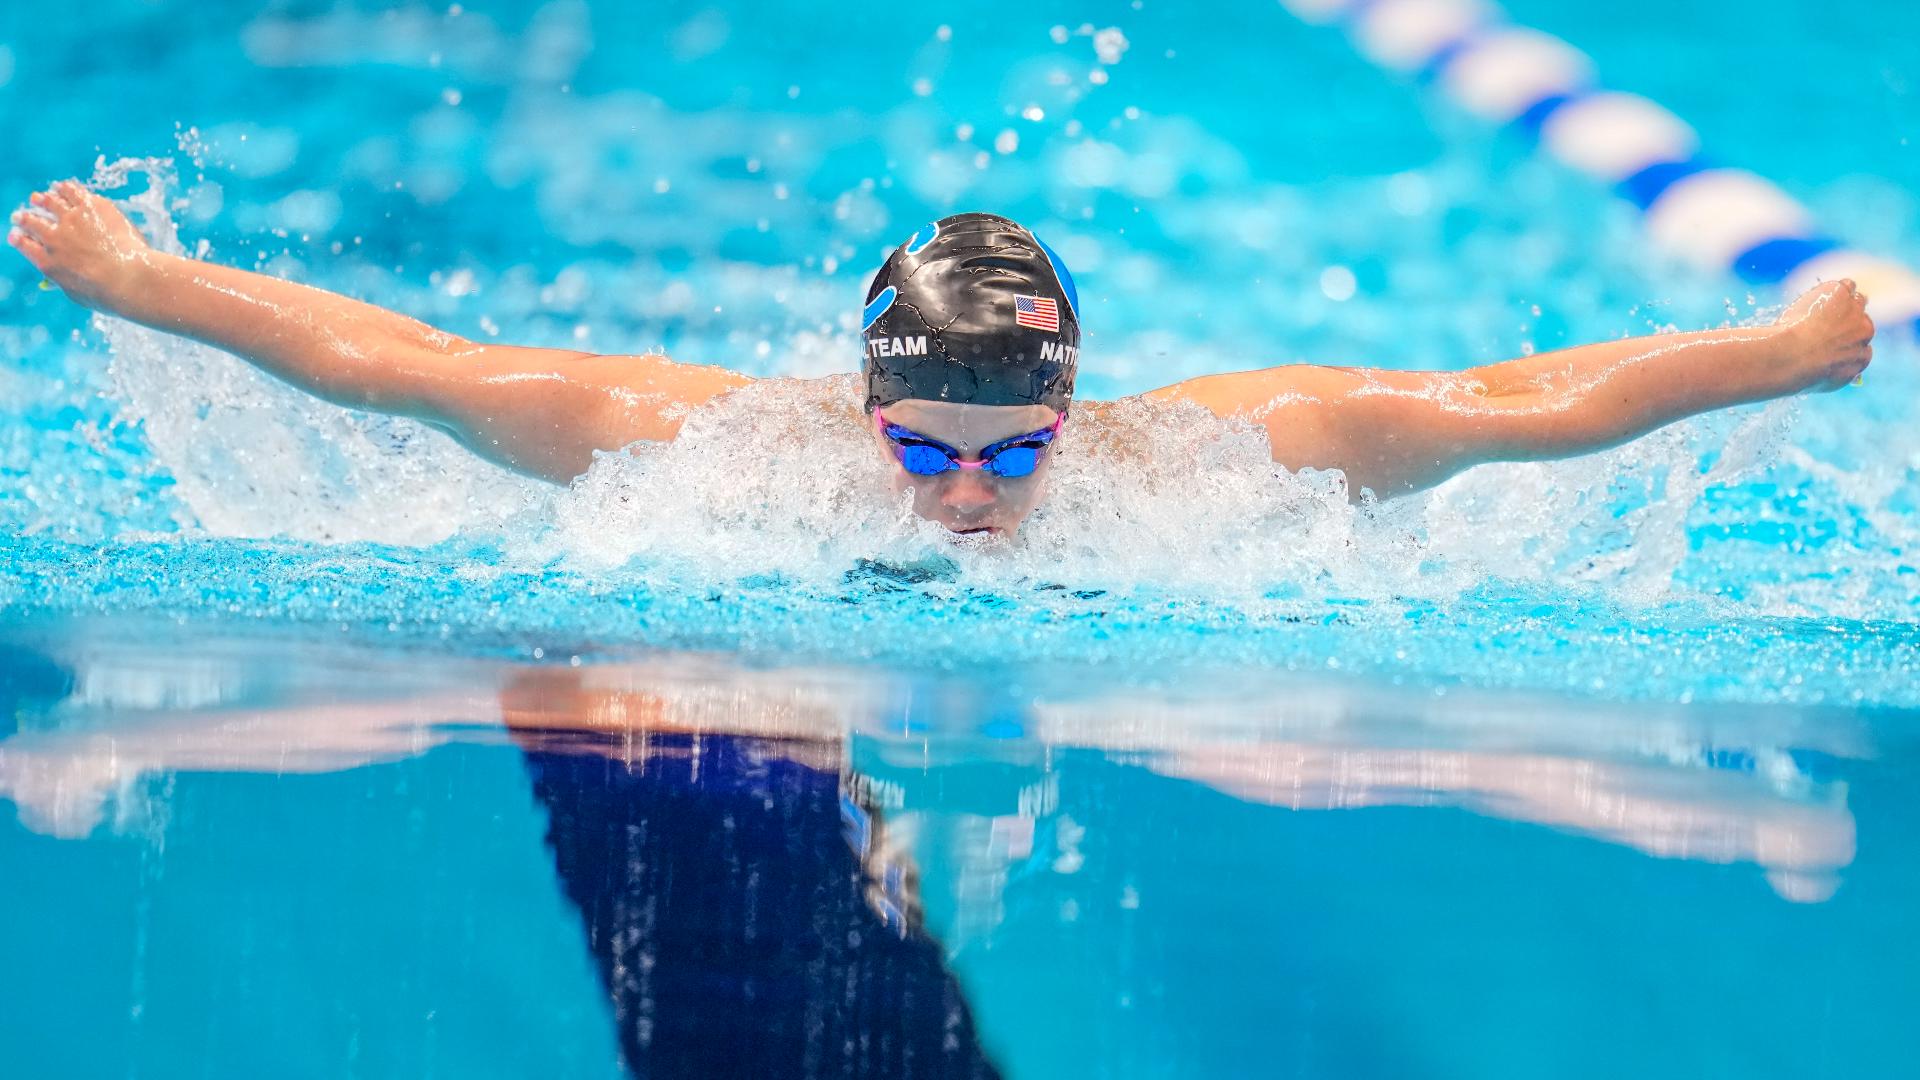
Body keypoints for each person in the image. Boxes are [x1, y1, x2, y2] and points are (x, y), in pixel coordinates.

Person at [9, 182, 1876, 539]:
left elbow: (1522, 408)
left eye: (1007, 458)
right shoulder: (713, 456)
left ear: (1073, 411)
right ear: (861, 406)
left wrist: (1779, 348)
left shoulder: (1218, 461)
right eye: (926, 455)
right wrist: (136, 277)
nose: (969, 495)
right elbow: (391, 359)